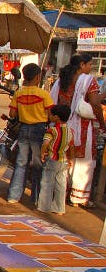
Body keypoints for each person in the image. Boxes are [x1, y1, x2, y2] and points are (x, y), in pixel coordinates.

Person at [50, 53, 105, 207]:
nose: (91, 67)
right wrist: (101, 122)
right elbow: (94, 103)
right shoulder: (88, 80)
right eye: (89, 64)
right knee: (84, 163)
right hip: (82, 127)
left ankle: (61, 192)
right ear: (82, 65)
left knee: (64, 158)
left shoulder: (61, 80)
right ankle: (78, 197)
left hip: (61, 125)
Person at [5, 63, 53, 204]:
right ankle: (36, 198)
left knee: (21, 163)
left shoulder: (19, 93)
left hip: (23, 129)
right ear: (38, 77)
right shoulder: (44, 94)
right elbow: (51, 115)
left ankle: (13, 196)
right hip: (39, 130)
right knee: (38, 164)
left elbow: (12, 113)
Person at [37, 105, 74, 215]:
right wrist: (71, 159)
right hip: (64, 161)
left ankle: (44, 207)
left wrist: (42, 153)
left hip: (52, 160)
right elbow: (71, 147)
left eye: (51, 115)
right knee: (61, 185)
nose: (50, 116)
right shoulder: (70, 131)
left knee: (47, 183)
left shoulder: (52, 130)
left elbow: (46, 143)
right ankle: (59, 208)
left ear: (56, 117)